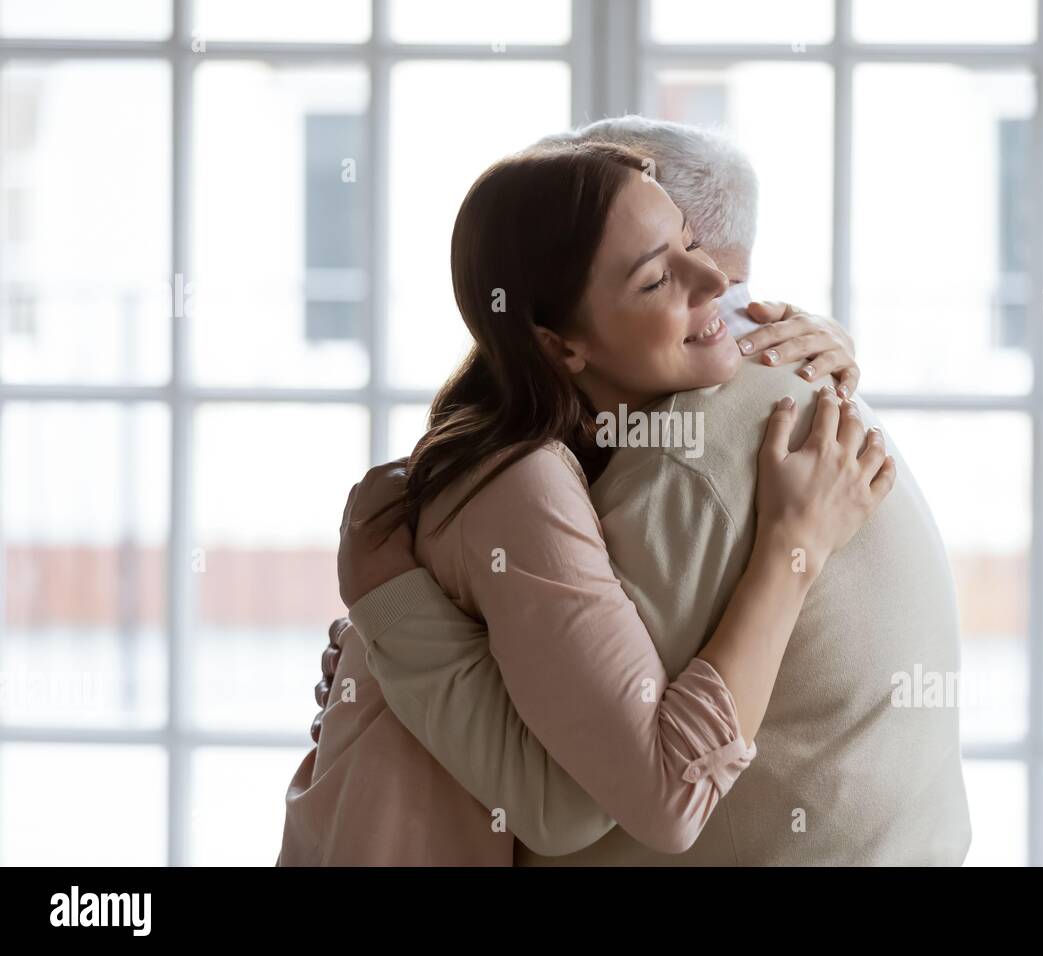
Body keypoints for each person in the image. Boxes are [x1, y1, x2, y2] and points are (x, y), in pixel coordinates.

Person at [278, 137, 896, 866]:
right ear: (560, 347)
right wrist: (795, 547)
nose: (715, 283)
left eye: (692, 243)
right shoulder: (521, 478)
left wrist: (823, 349)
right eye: (654, 279)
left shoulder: (575, 451)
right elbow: (657, 800)